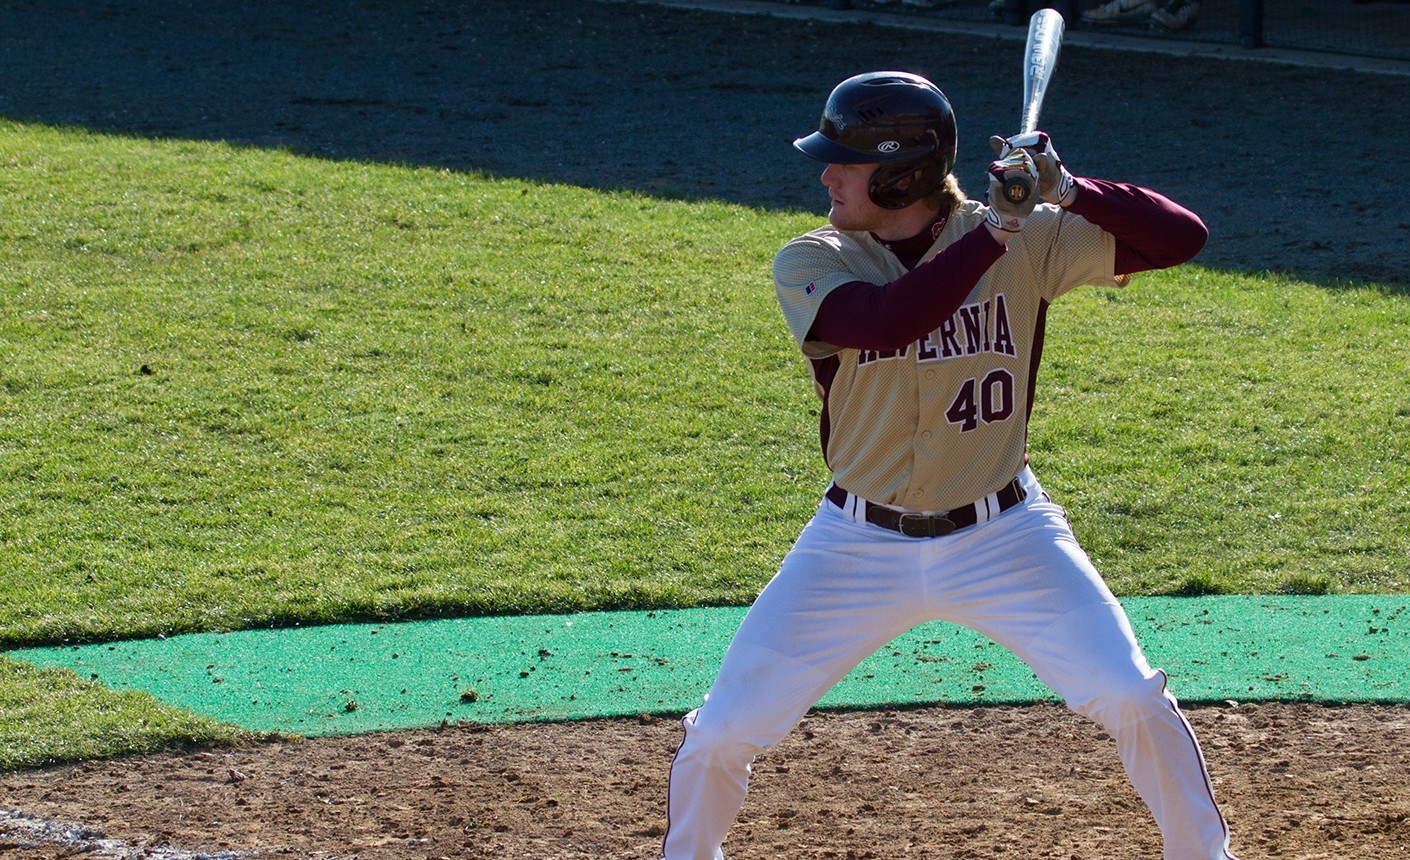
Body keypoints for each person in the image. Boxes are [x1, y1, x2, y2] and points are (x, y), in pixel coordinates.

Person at [662, 71, 1237, 860]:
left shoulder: (1024, 231)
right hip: (854, 543)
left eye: (844, 162)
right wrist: (995, 234)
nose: (825, 174)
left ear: (902, 174)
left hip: (1005, 534)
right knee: (724, 730)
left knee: (1131, 696)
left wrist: (1069, 188)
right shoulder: (813, 255)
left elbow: (1182, 238)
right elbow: (888, 321)